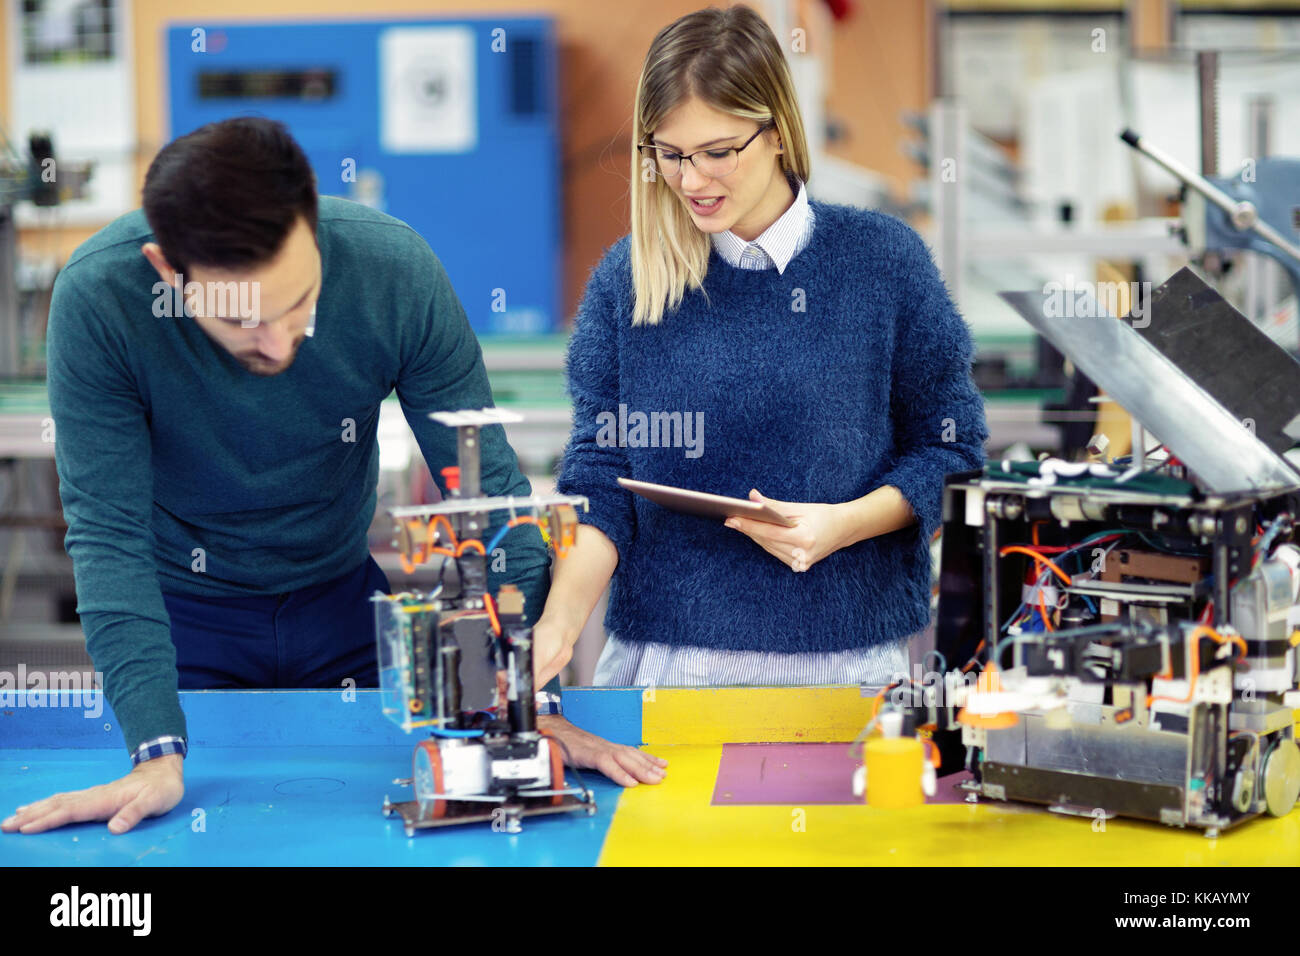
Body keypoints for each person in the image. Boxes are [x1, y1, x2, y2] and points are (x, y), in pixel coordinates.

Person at [3, 118, 663, 838]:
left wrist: (530, 704)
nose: (280, 342)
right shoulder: (101, 301)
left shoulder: (392, 270)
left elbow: (486, 494)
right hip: (182, 619)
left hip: (344, 608)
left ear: (313, 226)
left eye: (299, 304)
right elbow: (108, 540)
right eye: (246, 322)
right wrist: (155, 751)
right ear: (171, 273)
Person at [530, 5, 988, 689]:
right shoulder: (628, 282)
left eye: (717, 152)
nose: (690, 181)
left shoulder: (881, 262)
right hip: (663, 671)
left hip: (847, 671)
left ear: (776, 132)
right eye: (670, 154)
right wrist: (557, 628)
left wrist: (843, 524)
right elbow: (601, 478)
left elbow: (953, 451)